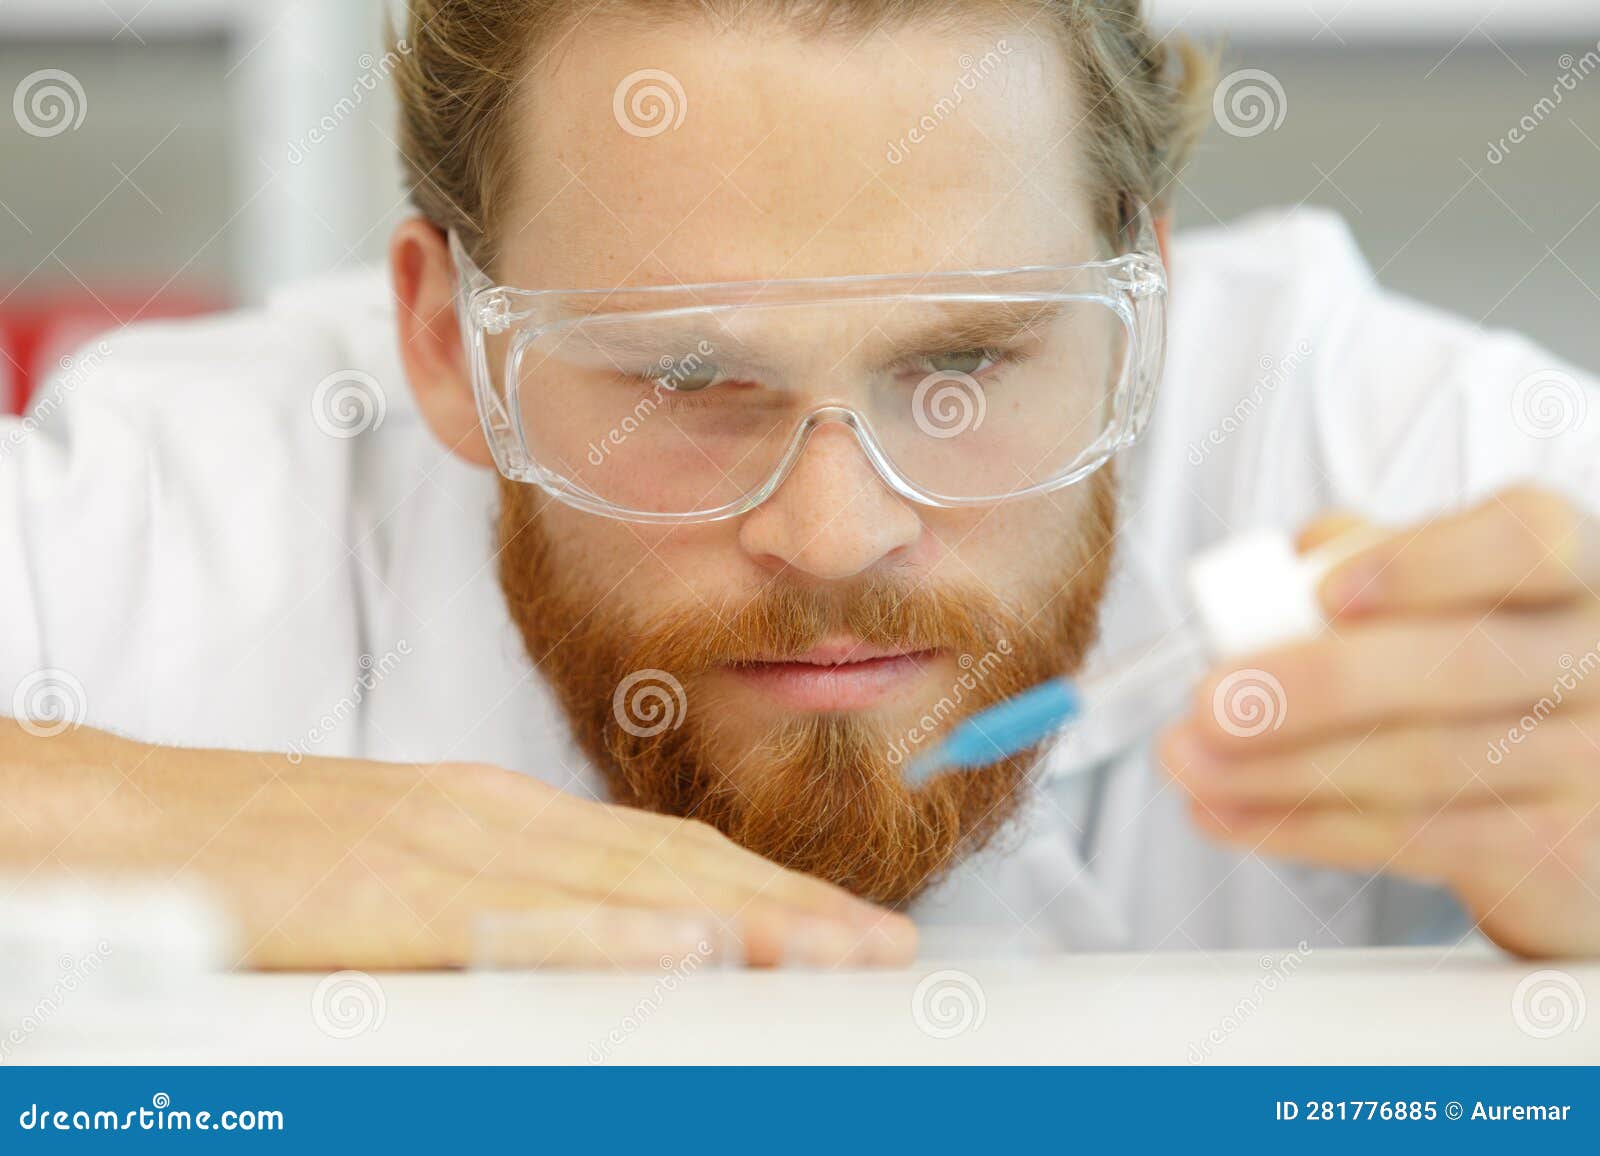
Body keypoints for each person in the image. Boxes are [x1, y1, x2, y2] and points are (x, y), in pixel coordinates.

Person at [2, 0, 1596, 969]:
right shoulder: (189, 503)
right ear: (441, 339)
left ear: (1147, 300)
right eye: (687, 385)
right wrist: (125, 816)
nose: (835, 530)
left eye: (964, 367)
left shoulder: (1364, 443)